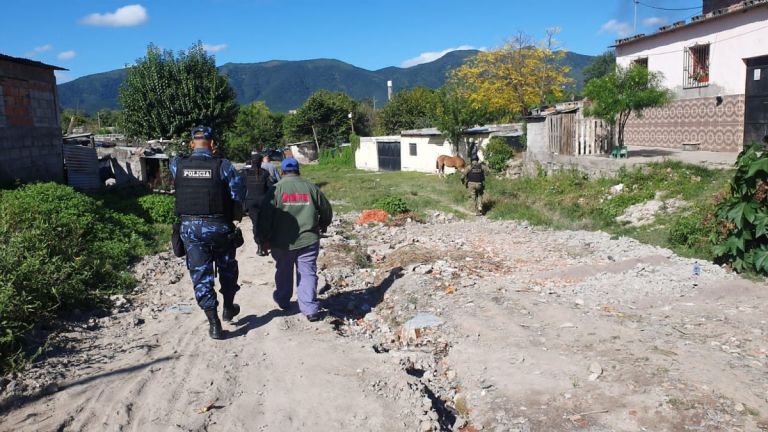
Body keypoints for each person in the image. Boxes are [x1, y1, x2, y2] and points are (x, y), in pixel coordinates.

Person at [170, 125, 246, 340]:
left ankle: (214, 324)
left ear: (191, 143)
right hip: (220, 227)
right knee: (227, 269)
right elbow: (238, 194)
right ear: (213, 144)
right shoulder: (223, 166)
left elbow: (173, 167)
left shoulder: (178, 164)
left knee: (201, 276)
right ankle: (229, 307)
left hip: (190, 229)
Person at [259, 158, 333, 322]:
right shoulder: (310, 187)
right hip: (309, 239)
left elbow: (264, 217)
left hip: (281, 242)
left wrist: (262, 239)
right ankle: (310, 308)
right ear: (298, 170)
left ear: (282, 172)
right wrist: (324, 223)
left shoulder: (276, 189)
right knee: (307, 272)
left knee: (283, 270)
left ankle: (283, 300)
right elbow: (326, 209)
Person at [242, 151, 273, 256]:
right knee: (264, 224)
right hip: (263, 202)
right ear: (260, 162)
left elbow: (241, 189)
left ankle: (259, 246)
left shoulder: (245, 173)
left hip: (251, 202)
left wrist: (242, 204)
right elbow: (270, 188)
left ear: (251, 161)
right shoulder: (265, 173)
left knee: (256, 224)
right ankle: (265, 243)